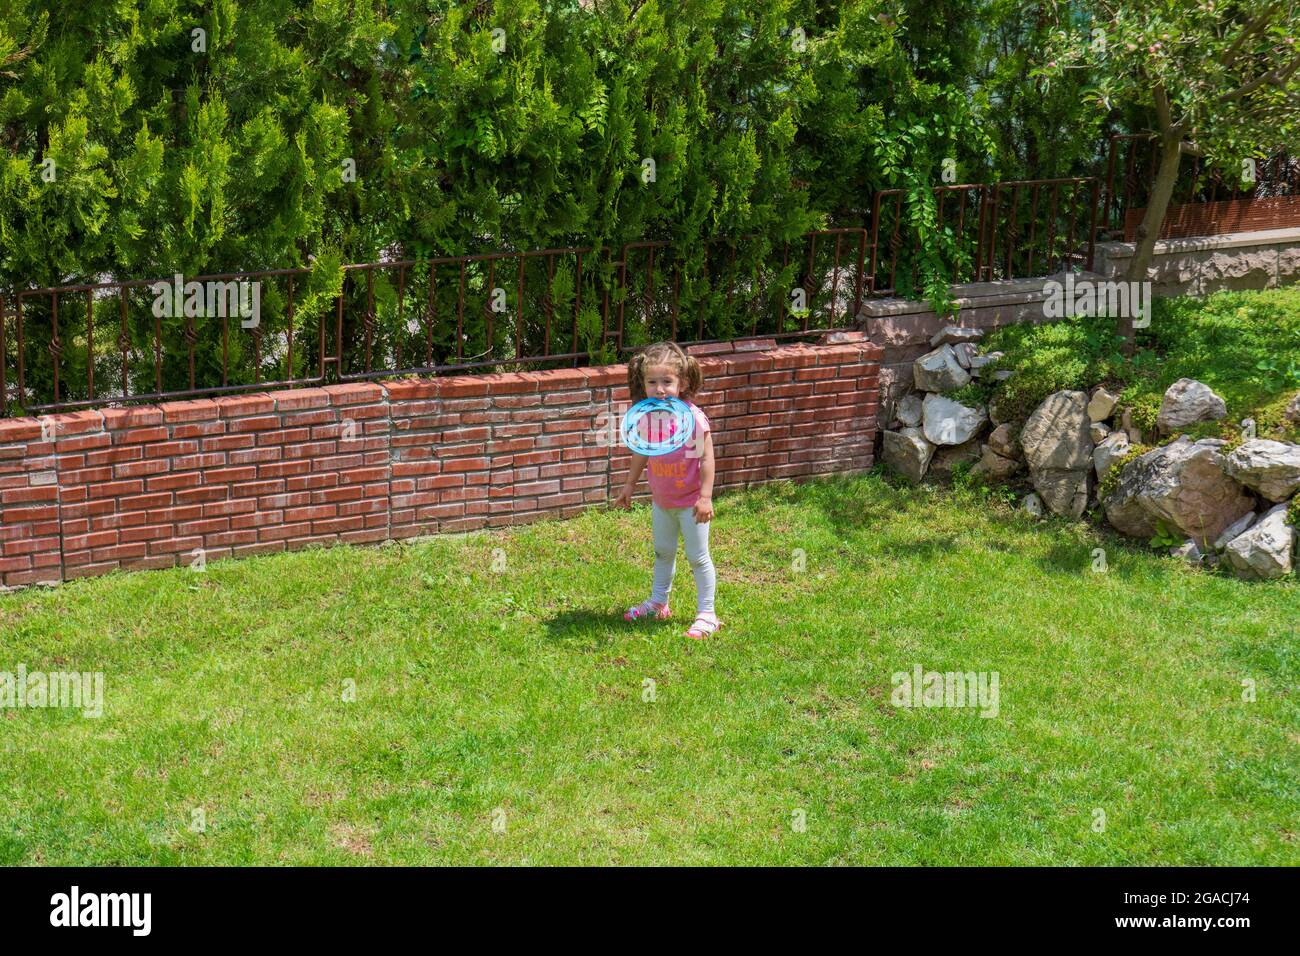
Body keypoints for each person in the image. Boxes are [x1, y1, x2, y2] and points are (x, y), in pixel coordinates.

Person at [612, 341, 723, 639]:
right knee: (662, 553)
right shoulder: (648, 417)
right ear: (643, 383)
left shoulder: (693, 419)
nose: (660, 389)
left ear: (682, 382)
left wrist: (705, 497)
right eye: (652, 382)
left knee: (698, 557)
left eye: (667, 381)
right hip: (662, 502)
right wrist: (629, 486)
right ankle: (659, 602)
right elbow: (641, 452)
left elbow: (706, 458)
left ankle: (707, 614)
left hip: (691, 504)